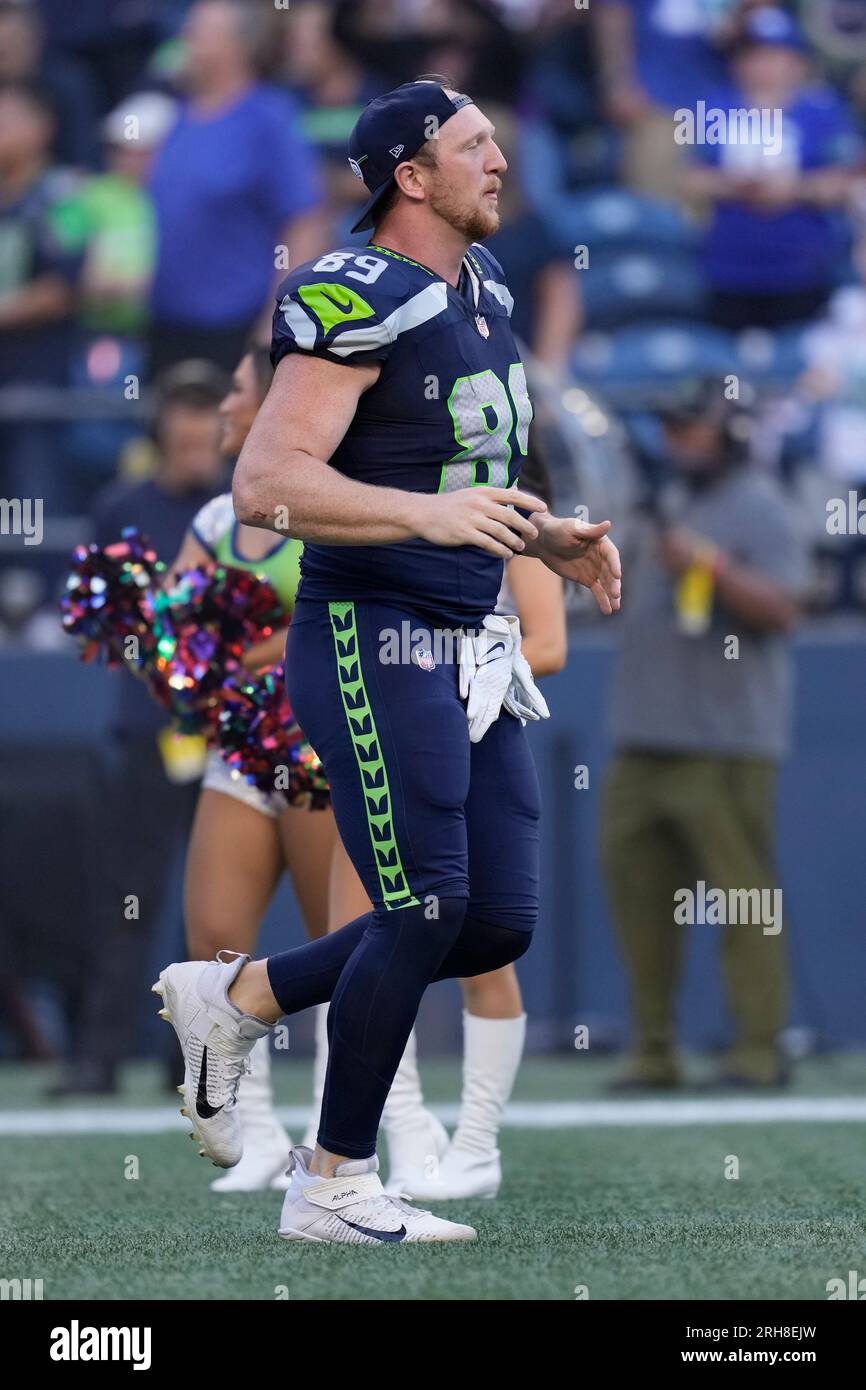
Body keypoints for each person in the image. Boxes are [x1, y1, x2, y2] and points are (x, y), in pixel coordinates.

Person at [154, 77, 620, 1245]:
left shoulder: (484, 284)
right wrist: (421, 523)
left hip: (473, 636)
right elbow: (267, 484)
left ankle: (243, 994)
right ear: (410, 175)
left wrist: (540, 534)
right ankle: (331, 1180)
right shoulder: (349, 291)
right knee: (424, 902)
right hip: (374, 633)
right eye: (474, 146)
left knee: (492, 922)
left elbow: (453, 471)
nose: (500, 161)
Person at [170, 344, 442, 1192]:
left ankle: (368, 1134)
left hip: (332, 739)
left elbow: (351, 614)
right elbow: (178, 630)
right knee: (213, 933)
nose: (222, 409)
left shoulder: (331, 502)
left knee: (353, 942)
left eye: (238, 393)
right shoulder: (217, 522)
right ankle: (253, 1135)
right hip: (242, 747)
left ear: (277, 406)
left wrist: (263, 648)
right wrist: (178, 654)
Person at [601, 377, 807, 1091]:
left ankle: (759, 1047)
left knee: (745, 899)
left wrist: (711, 567)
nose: (676, 439)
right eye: (670, 428)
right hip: (642, 737)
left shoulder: (760, 504)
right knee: (640, 904)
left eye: (691, 427)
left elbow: (784, 609)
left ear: (735, 432)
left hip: (726, 742)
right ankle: (653, 1050)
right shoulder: (666, 502)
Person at [392, 435, 567, 1202]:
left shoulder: (516, 513)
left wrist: (450, 665)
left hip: (475, 736)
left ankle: (477, 1142)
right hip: (398, 736)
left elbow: (551, 644)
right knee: (382, 927)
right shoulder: (412, 509)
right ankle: (399, 1136)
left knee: (487, 945)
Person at [49, 363, 228, 1097]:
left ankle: (194, 1062)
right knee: (127, 900)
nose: (191, 441)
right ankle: (99, 1058)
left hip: (224, 732)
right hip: (148, 727)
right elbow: (89, 619)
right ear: (160, 431)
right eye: (180, 425)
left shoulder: (244, 508)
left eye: (204, 425)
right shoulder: (120, 505)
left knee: (213, 905)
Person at [147, 0, 325, 378]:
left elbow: (304, 220)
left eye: (198, 32)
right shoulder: (176, 115)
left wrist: (275, 323)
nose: (185, 39)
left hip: (235, 329)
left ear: (238, 46)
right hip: (164, 326)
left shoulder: (269, 117)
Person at [683, 7, 861, 331]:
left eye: (772, 55)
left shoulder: (821, 110)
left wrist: (795, 189)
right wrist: (738, 187)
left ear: (796, 62)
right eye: (753, 56)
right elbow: (686, 176)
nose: (761, 66)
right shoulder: (712, 109)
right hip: (727, 271)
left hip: (804, 270)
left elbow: (847, 179)